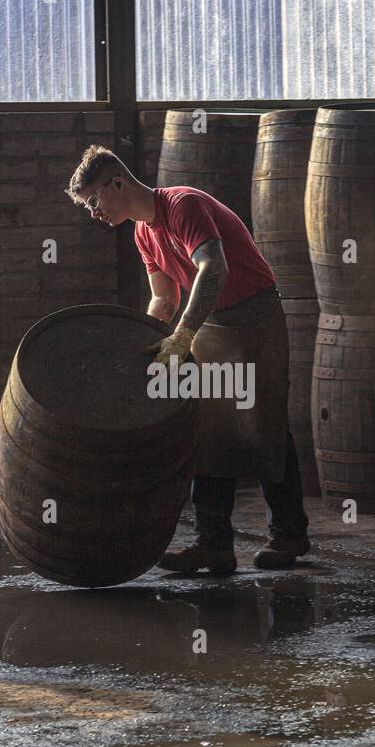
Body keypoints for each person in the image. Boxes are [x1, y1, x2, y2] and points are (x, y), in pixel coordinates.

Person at [66, 144, 311, 574]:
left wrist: (182, 335)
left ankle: (289, 537)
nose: (93, 213)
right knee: (208, 428)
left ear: (117, 184)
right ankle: (214, 545)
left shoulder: (184, 205)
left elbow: (214, 270)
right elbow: (163, 298)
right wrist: (139, 346)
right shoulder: (142, 232)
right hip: (209, 324)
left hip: (255, 318)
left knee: (263, 426)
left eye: (93, 201)